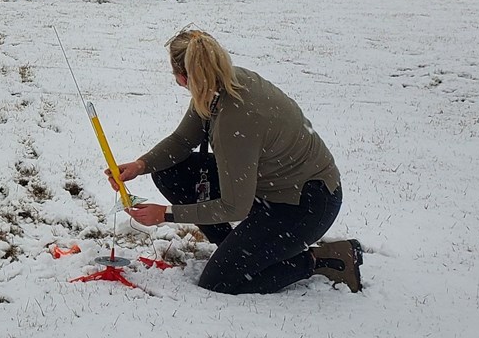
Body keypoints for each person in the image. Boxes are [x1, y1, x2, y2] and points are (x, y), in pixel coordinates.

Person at [112, 29, 363, 294]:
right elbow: (183, 141)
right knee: (169, 172)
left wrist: (166, 214)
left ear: (183, 78)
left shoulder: (234, 121)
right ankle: (237, 249)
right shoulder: (217, 83)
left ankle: (323, 260)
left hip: (307, 204)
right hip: (268, 187)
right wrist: (141, 165)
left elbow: (235, 207)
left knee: (220, 282)